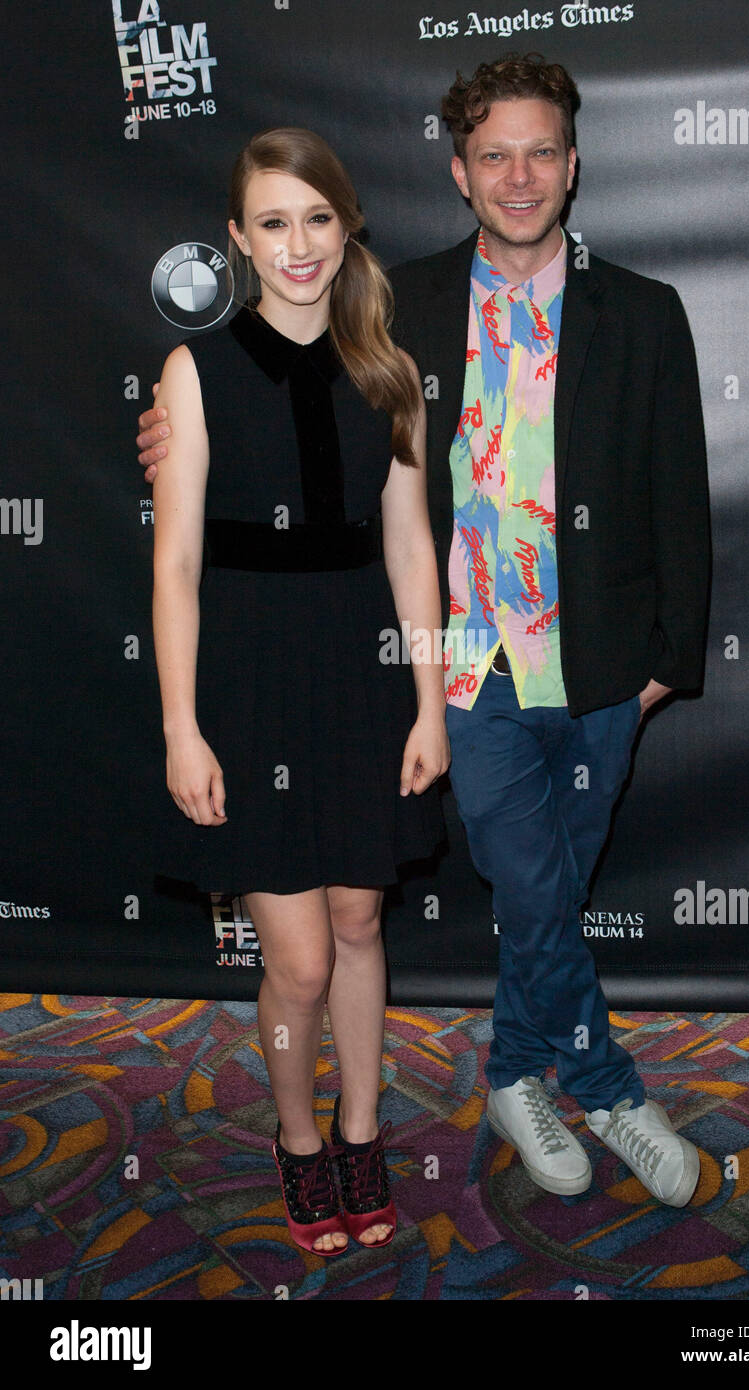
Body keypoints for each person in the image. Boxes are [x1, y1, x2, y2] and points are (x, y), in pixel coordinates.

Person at [140, 54, 711, 1210]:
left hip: (600, 666)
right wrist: (167, 434)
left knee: (543, 889)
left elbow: (679, 495)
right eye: (491, 153)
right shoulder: (401, 303)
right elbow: (270, 404)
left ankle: (510, 1072)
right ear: (456, 172)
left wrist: (665, 661)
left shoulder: (640, 312)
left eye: (540, 150)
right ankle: (603, 1083)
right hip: (461, 664)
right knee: (520, 874)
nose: (517, 174)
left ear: (572, 165)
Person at [150, 126, 448, 1256]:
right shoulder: (194, 371)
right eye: (272, 223)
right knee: (302, 958)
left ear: (345, 224)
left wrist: (427, 701)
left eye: (316, 217)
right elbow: (174, 566)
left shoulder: (390, 370)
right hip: (250, 683)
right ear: (237, 239)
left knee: (363, 922)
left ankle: (363, 1129)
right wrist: (181, 726)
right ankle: (293, 1136)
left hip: (364, 672)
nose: (298, 245)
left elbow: (412, 548)